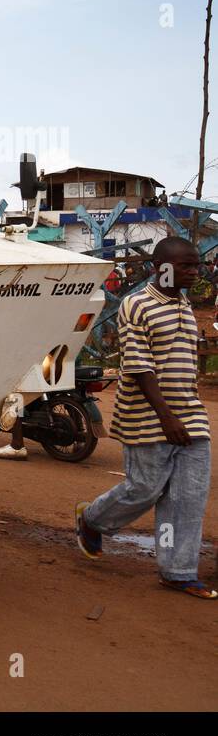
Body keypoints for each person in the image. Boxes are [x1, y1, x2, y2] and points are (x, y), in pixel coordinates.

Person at [75, 237, 215, 599]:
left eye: (196, 264)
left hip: (190, 415)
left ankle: (177, 571)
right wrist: (166, 418)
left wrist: (181, 415)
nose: (194, 271)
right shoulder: (136, 305)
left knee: (188, 497)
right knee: (145, 489)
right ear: (160, 266)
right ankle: (92, 519)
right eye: (186, 265)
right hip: (146, 416)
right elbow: (138, 368)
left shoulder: (182, 303)